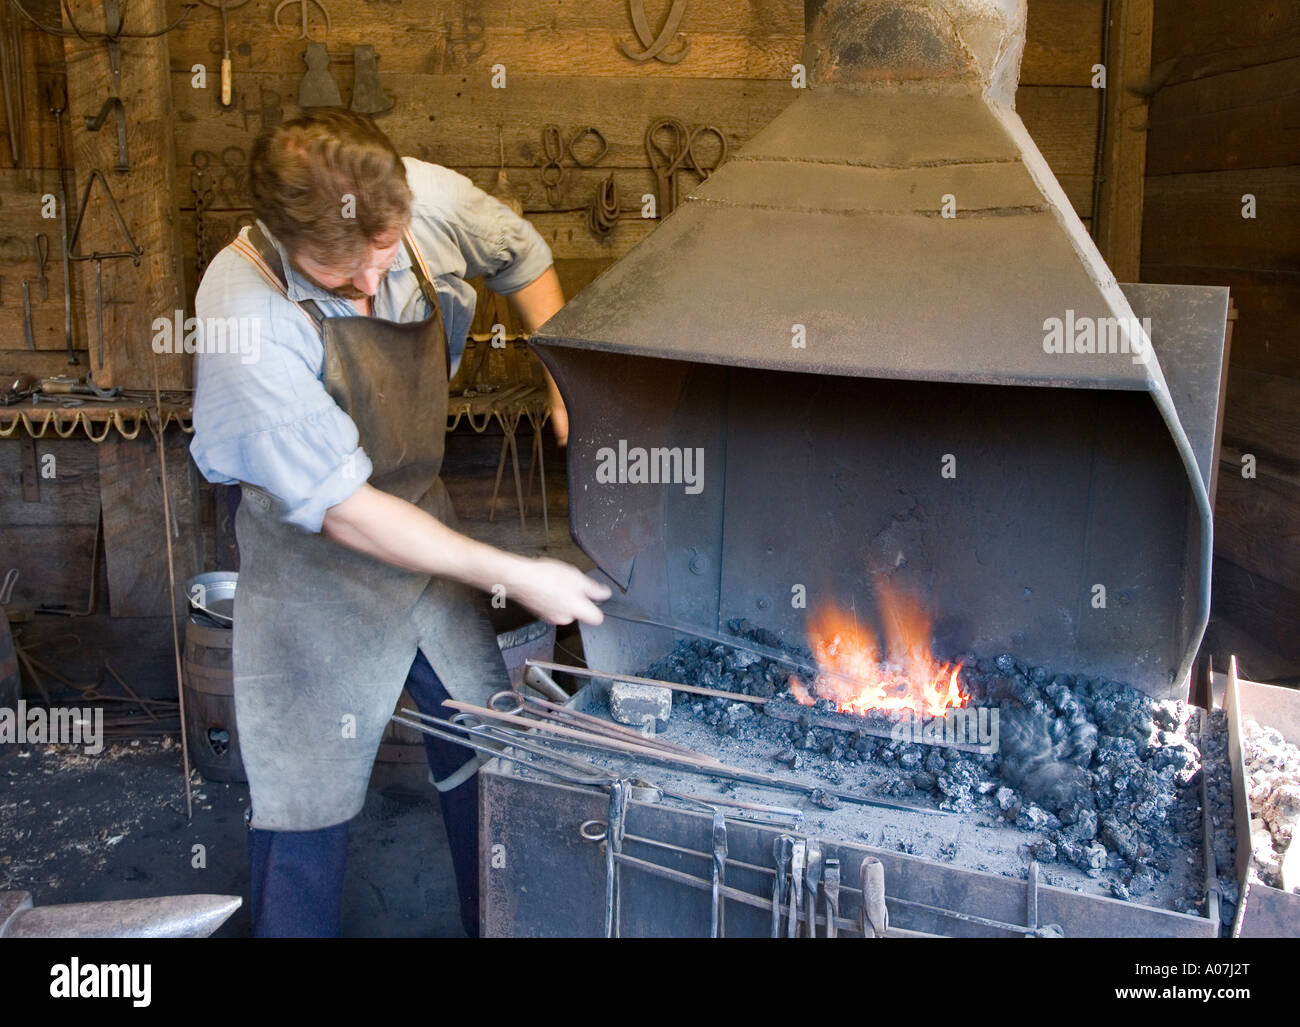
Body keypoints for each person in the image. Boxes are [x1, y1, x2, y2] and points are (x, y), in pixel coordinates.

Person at [189, 108, 610, 937]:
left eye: (383, 257)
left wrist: (560, 372)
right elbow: (342, 510)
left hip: (423, 526)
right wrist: (513, 571)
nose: (373, 284)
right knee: (302, 796)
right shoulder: (244, 309)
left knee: (489, 752)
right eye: (340, 276)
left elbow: (523, 255)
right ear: (280, 236)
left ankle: (500, 921)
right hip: (313, 560)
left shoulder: (425, 201)